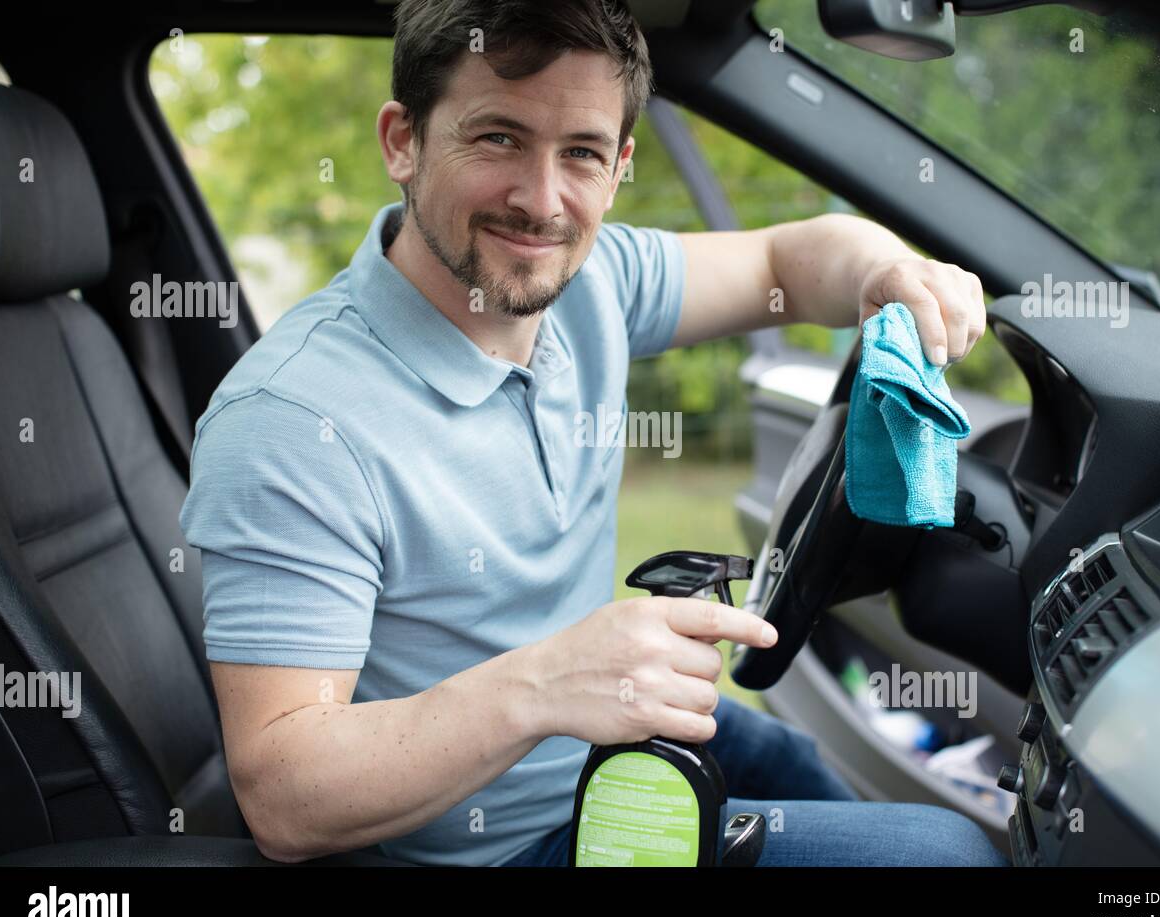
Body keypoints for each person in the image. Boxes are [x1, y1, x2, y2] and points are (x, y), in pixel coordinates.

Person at [178, 0, 1000, 867]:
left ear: (618, 169)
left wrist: (888, 271)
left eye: (580, 153)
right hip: (488, 851)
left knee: (800, 765)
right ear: (402, 141)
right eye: (495, 137)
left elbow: (779, 264)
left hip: (609, 750)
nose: (541, 201)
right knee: (940, 853)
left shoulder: (592, 279)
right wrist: (547, 684)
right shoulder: (293, 418)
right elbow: (285, 791)